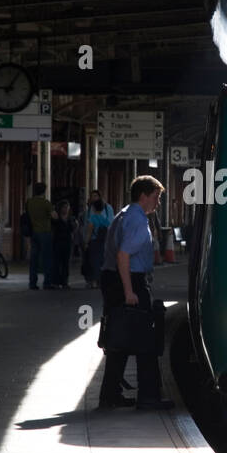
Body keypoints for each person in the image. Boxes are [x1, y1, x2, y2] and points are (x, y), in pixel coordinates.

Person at [98, 175, 172, 411]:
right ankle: (148, 396)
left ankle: (111, 395)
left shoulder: (123, 214)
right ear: (144, 195)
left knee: (119, 339)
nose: (157, 202)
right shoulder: (137, 220)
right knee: (145, 341)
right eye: (156, 197)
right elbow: (123, 255)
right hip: (129, 281)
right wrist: (130, 291)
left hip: (113, 280)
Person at [25, 182, 57, 290]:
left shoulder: (30, 202)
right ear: (44, 191)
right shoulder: (46, 203)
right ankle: (47, 282)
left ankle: (32, 282)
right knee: (47, 258)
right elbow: (55, 216)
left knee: (34, 259)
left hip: (34, 232)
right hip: (45, 232)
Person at [82, 189, 113, 289]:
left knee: (94, 261)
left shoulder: (93, 218)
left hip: (94, 241)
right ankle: (103, 281)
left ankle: (94, 281)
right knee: (103, 261)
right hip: (106, 241)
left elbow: (89, 231)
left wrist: (86, 242)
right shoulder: (106, 218)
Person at [51, 200, 77, 289]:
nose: (66, 209)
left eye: (67, 207)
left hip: (67, 242)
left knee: (66, 263)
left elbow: (73, 229)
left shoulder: (71, 218)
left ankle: (64, 282)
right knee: (57, 263)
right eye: (64, 207)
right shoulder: (56, 218)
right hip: (58, 242)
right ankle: (56, 282)